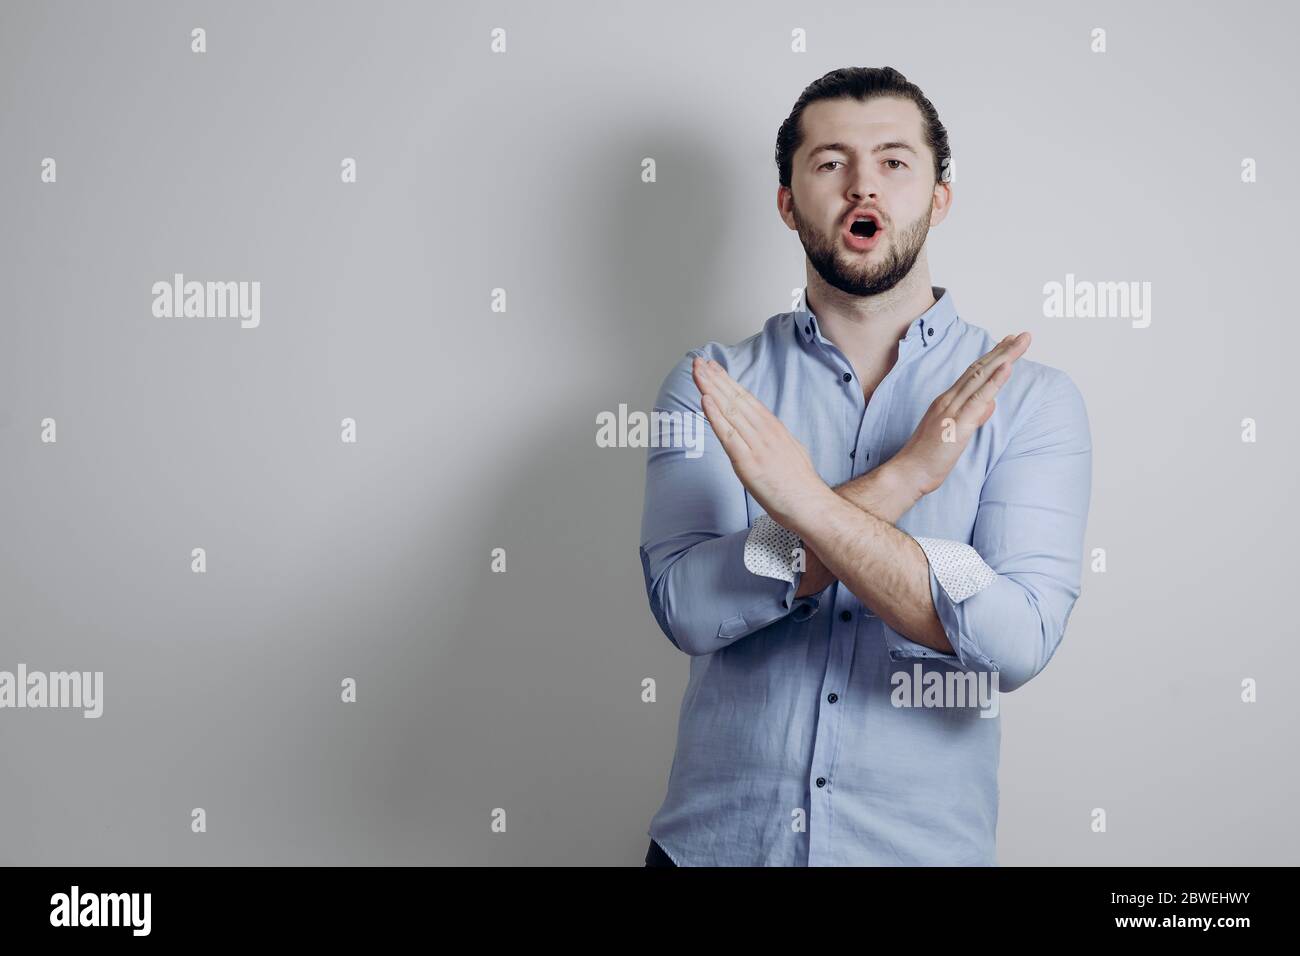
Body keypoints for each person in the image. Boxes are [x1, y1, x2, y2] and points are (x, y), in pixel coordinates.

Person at [638, 66, 1092, 866]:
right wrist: (900, 482)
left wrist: (800, 508)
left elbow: (1014, 641)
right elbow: (689, 606)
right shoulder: (712, 386)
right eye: (829, 163)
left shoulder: (1032, 403)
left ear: (938, 197)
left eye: (893, 161)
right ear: (787, 202)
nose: (862, 188)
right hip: (715, 850)